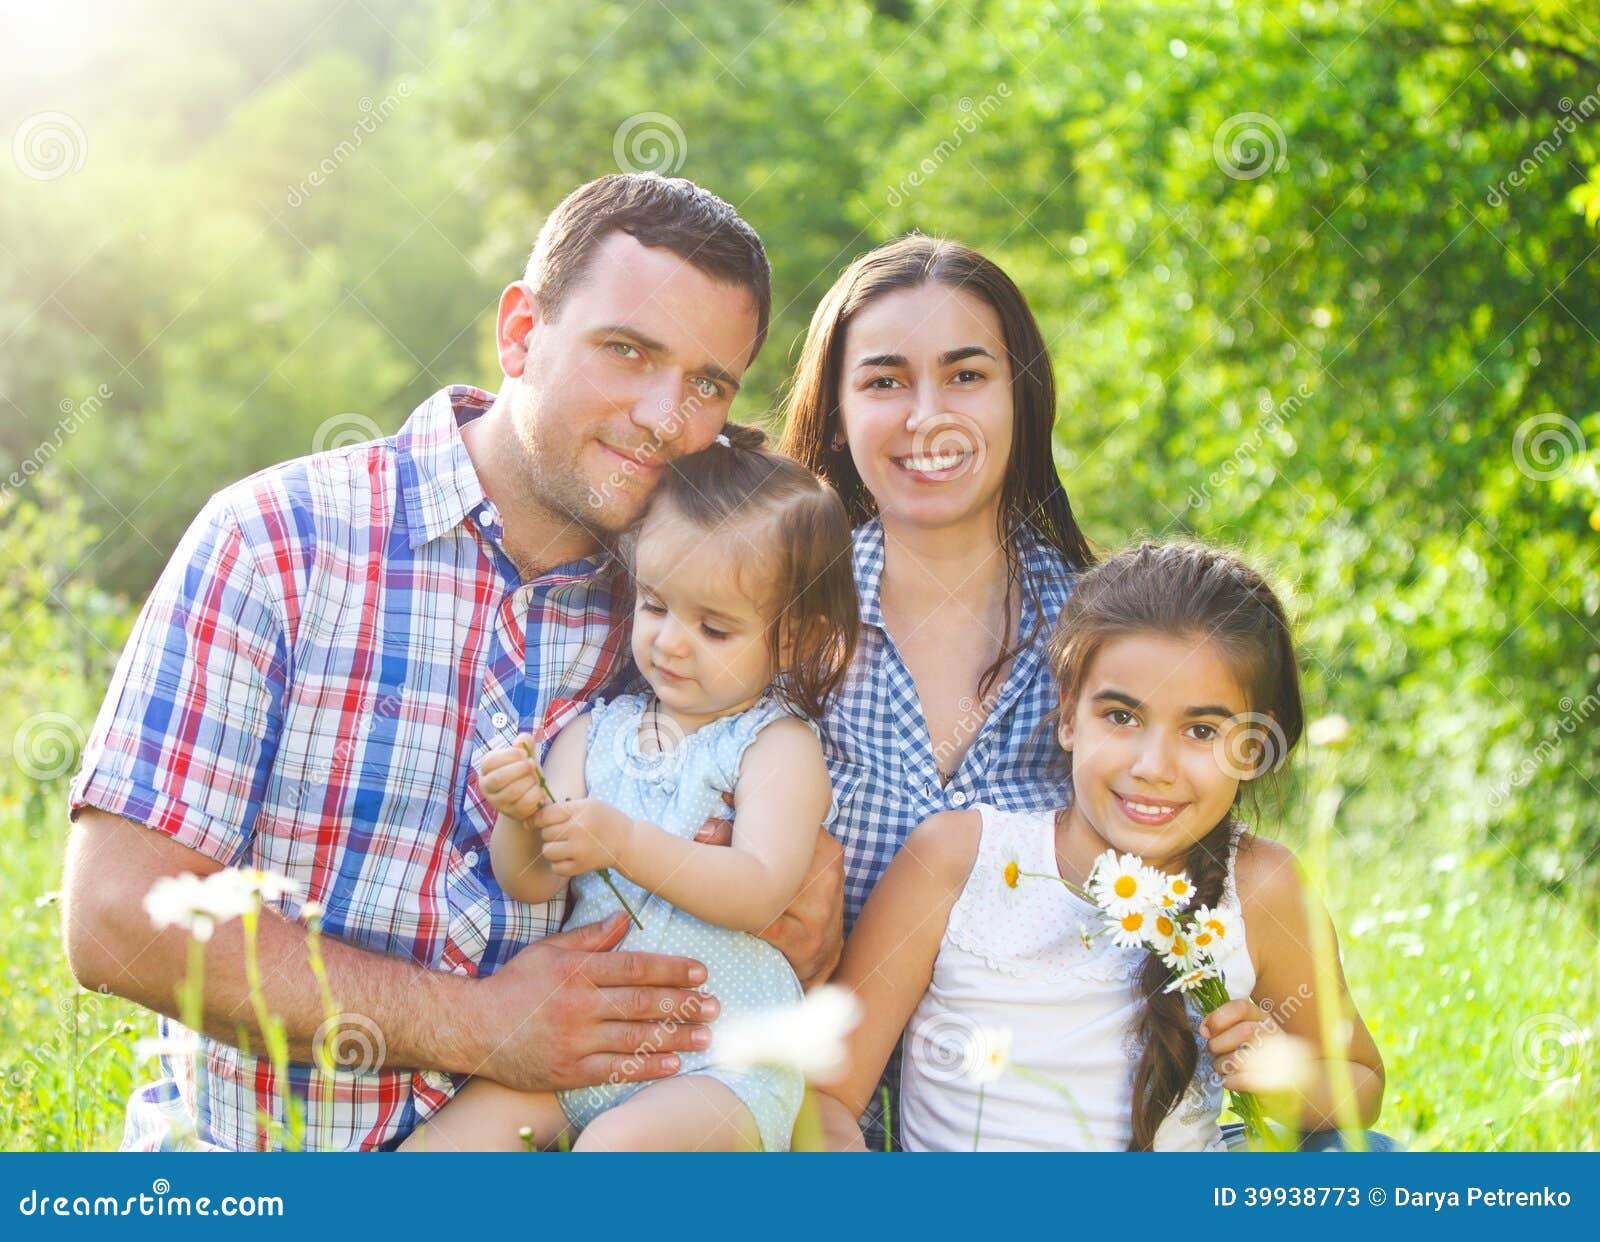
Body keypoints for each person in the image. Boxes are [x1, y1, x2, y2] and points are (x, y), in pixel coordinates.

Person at [61, 173, 843, 1151]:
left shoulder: (694, 604)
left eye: (707, 384)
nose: (664, 417)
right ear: (520, 333)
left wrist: (804, 884)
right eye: (627, 351)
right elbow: (115, 923)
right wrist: (483, 1026)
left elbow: (788, 876)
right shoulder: (280, 542)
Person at [815, 541, 1389, 1150]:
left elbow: (1362, 1082)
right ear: (1068, 715)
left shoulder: (1261, 886)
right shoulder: (957, 860)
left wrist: (1288, 1078)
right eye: (1121, 717)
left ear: (1251, 747)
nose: (1153, 766)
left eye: (1201, 730)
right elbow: (829, 1095)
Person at [400, 426, 856, 1152]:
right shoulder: (598, 729)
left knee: (614, 1151)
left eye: (713, 627)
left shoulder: (776, 747)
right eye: (655, 606)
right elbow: (531, 882)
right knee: (443, 1153)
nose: (672, 642)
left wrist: (623, 840)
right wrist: (524, 812)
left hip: (720, 1059)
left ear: (796, 637)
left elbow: (759, 890)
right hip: (584, 1050)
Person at [779, 236, 1095, 1144]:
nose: (927, 416)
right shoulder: (772, 629)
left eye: (966, 375)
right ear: (837, 413)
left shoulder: (1107, 644)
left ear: (1019, 397)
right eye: (883, 382)